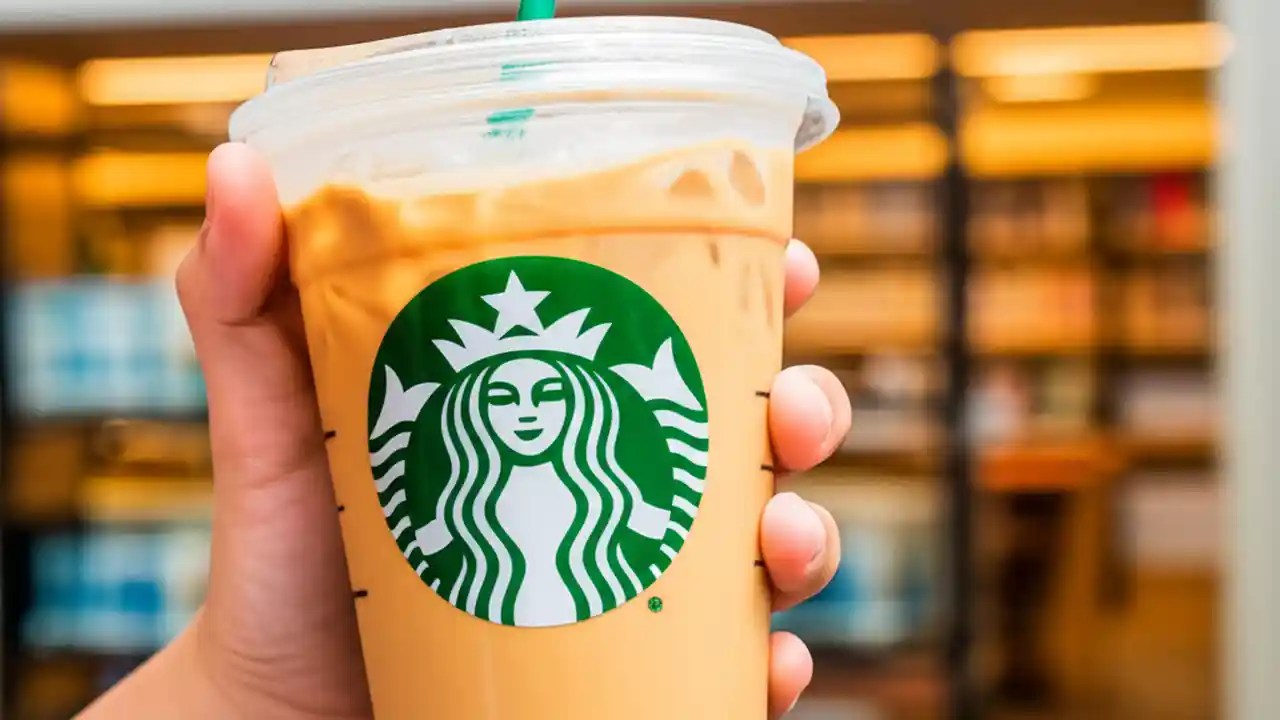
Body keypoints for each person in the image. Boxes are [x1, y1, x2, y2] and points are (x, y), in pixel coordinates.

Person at [78, 143, 854, 720]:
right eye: (500, 393)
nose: (525, 410)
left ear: (588, 403)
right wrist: (243, 692)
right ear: (466, 409)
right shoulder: (458, 526)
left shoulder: (626, 513)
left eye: (549, 389)